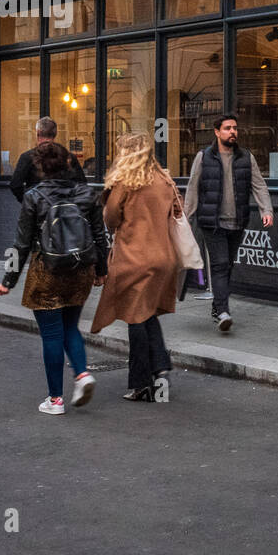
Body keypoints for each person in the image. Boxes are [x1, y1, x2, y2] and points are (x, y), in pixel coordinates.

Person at [0, 142, 107, 415]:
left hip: (47, 270)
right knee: (70, 327)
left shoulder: (34, 197)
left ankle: (55, 400)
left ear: (40, 166)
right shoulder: (87, 193)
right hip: (81, 269)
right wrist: (101, 270)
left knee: (52, 334)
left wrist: (8, 281)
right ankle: (81, 374)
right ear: (68, 163)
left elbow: (20, 244)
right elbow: (100, 236)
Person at [91, 131, 181, 402]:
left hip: (135, 259)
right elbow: (178, 211)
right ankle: (161, 366)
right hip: (164, 258)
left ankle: (141, 382)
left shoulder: (125, 182)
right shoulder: (165, 180)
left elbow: (110, 218)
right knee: (147, 312)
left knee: (134, 317)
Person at [183, 113, 274, 332]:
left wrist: (266, 209)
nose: (233, 131)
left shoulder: (245, 157)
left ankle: (217, 307)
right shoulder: (203, 157)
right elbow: (193, 188)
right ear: (217, 132)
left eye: (235, 128)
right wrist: (186, 218)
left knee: (228, 265)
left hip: (238, 221)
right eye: (227, 128)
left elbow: (258, 185)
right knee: (220, 264)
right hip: (212, 222)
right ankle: (223, 311)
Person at [9, 117, 87, 201]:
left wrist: (29, 201)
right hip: (63, 207)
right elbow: (81, 183)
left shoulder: (27, 157)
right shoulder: (68, 156)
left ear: (38, 133)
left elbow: (15, 185)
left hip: (37, 206)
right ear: (55, 133)